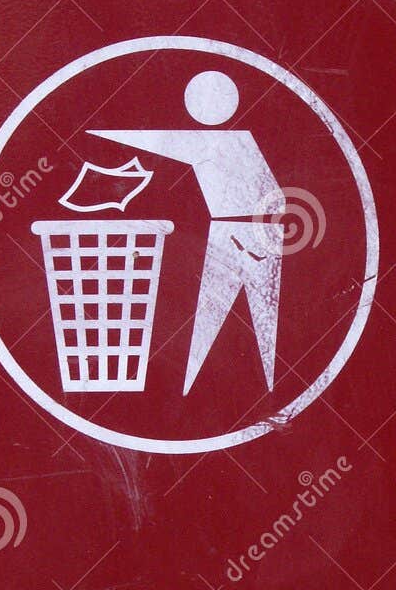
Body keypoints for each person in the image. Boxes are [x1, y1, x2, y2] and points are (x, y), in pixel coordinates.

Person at [90, 71, 285, 395]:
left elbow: (176, 143)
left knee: (246, 330)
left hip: (245, 233)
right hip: (242, 230)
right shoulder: (233, 145)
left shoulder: (233, 145)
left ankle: (250, 387)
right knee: (215, 331)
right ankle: (207, 388)